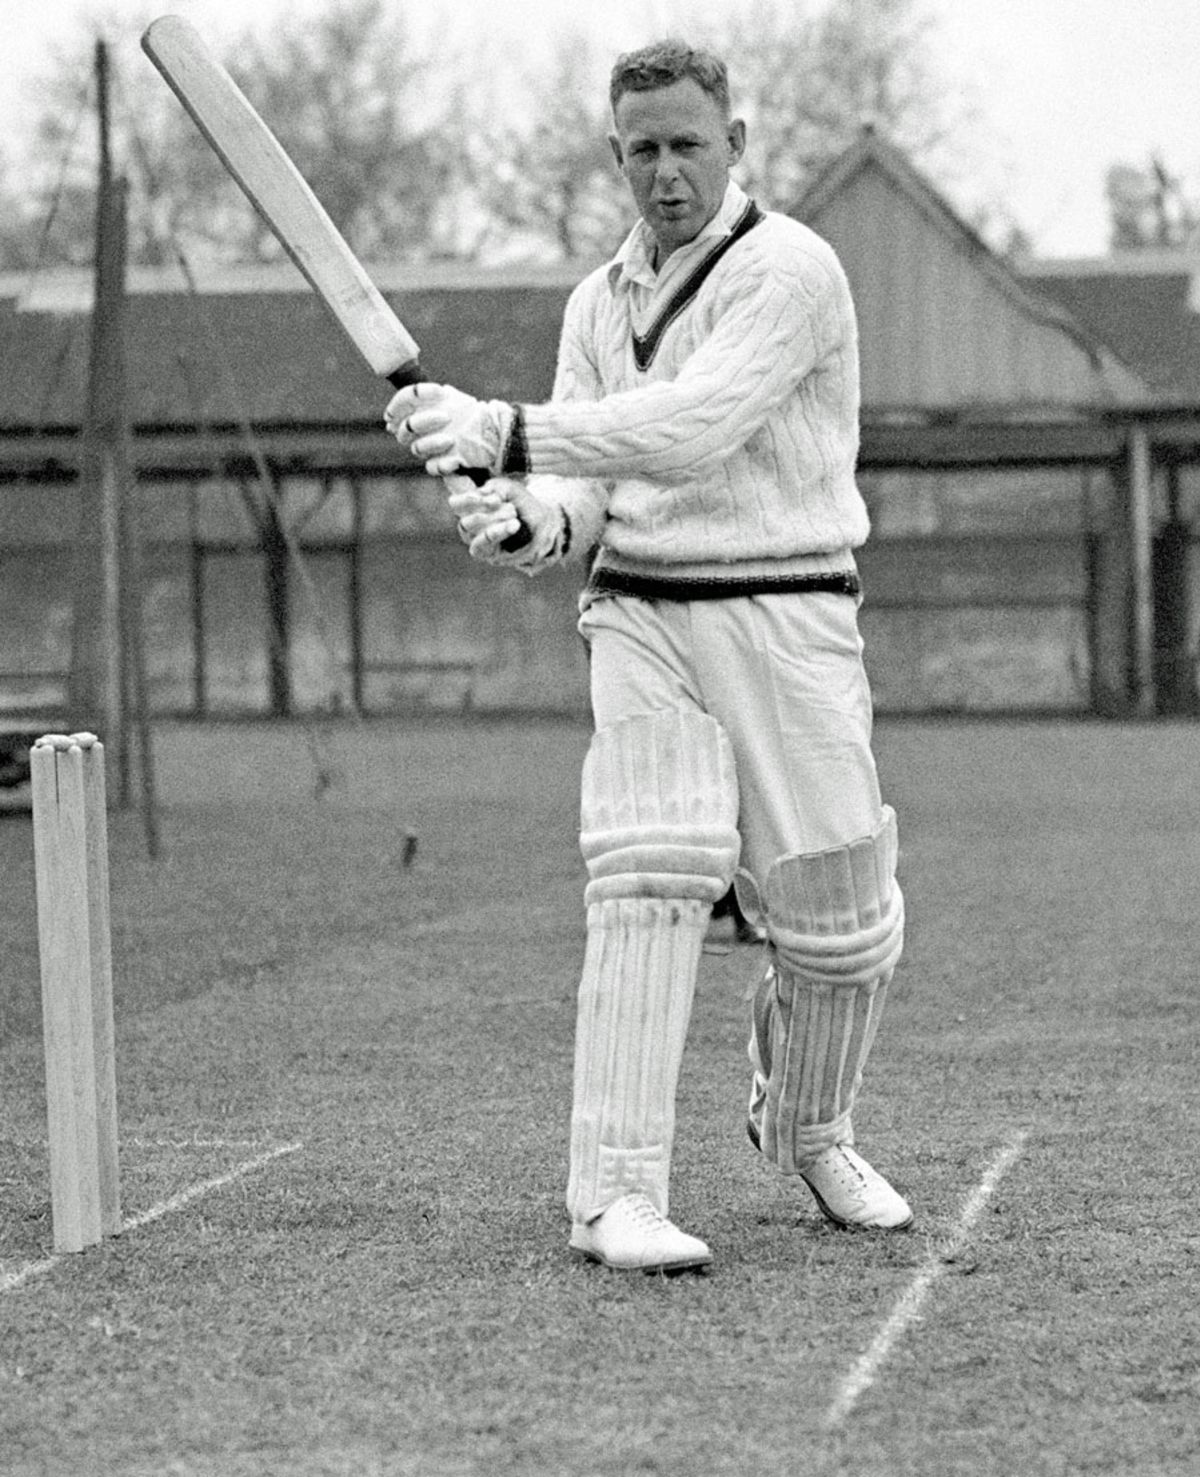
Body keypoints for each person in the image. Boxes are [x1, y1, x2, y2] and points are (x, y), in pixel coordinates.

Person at [386, 39, 912, 1273]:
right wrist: (531, 519)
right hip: (641, 615)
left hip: (788, 611)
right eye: (642, 150)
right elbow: (590, 489)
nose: (665, 173)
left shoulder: (792, 269)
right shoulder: (594, 304)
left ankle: (810, 1124)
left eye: (687, 144)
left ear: (737, 142)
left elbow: (696, 425)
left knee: (840, 925)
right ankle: (614, 1192)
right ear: (614, 155)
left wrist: (506, 431)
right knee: (649, 873)